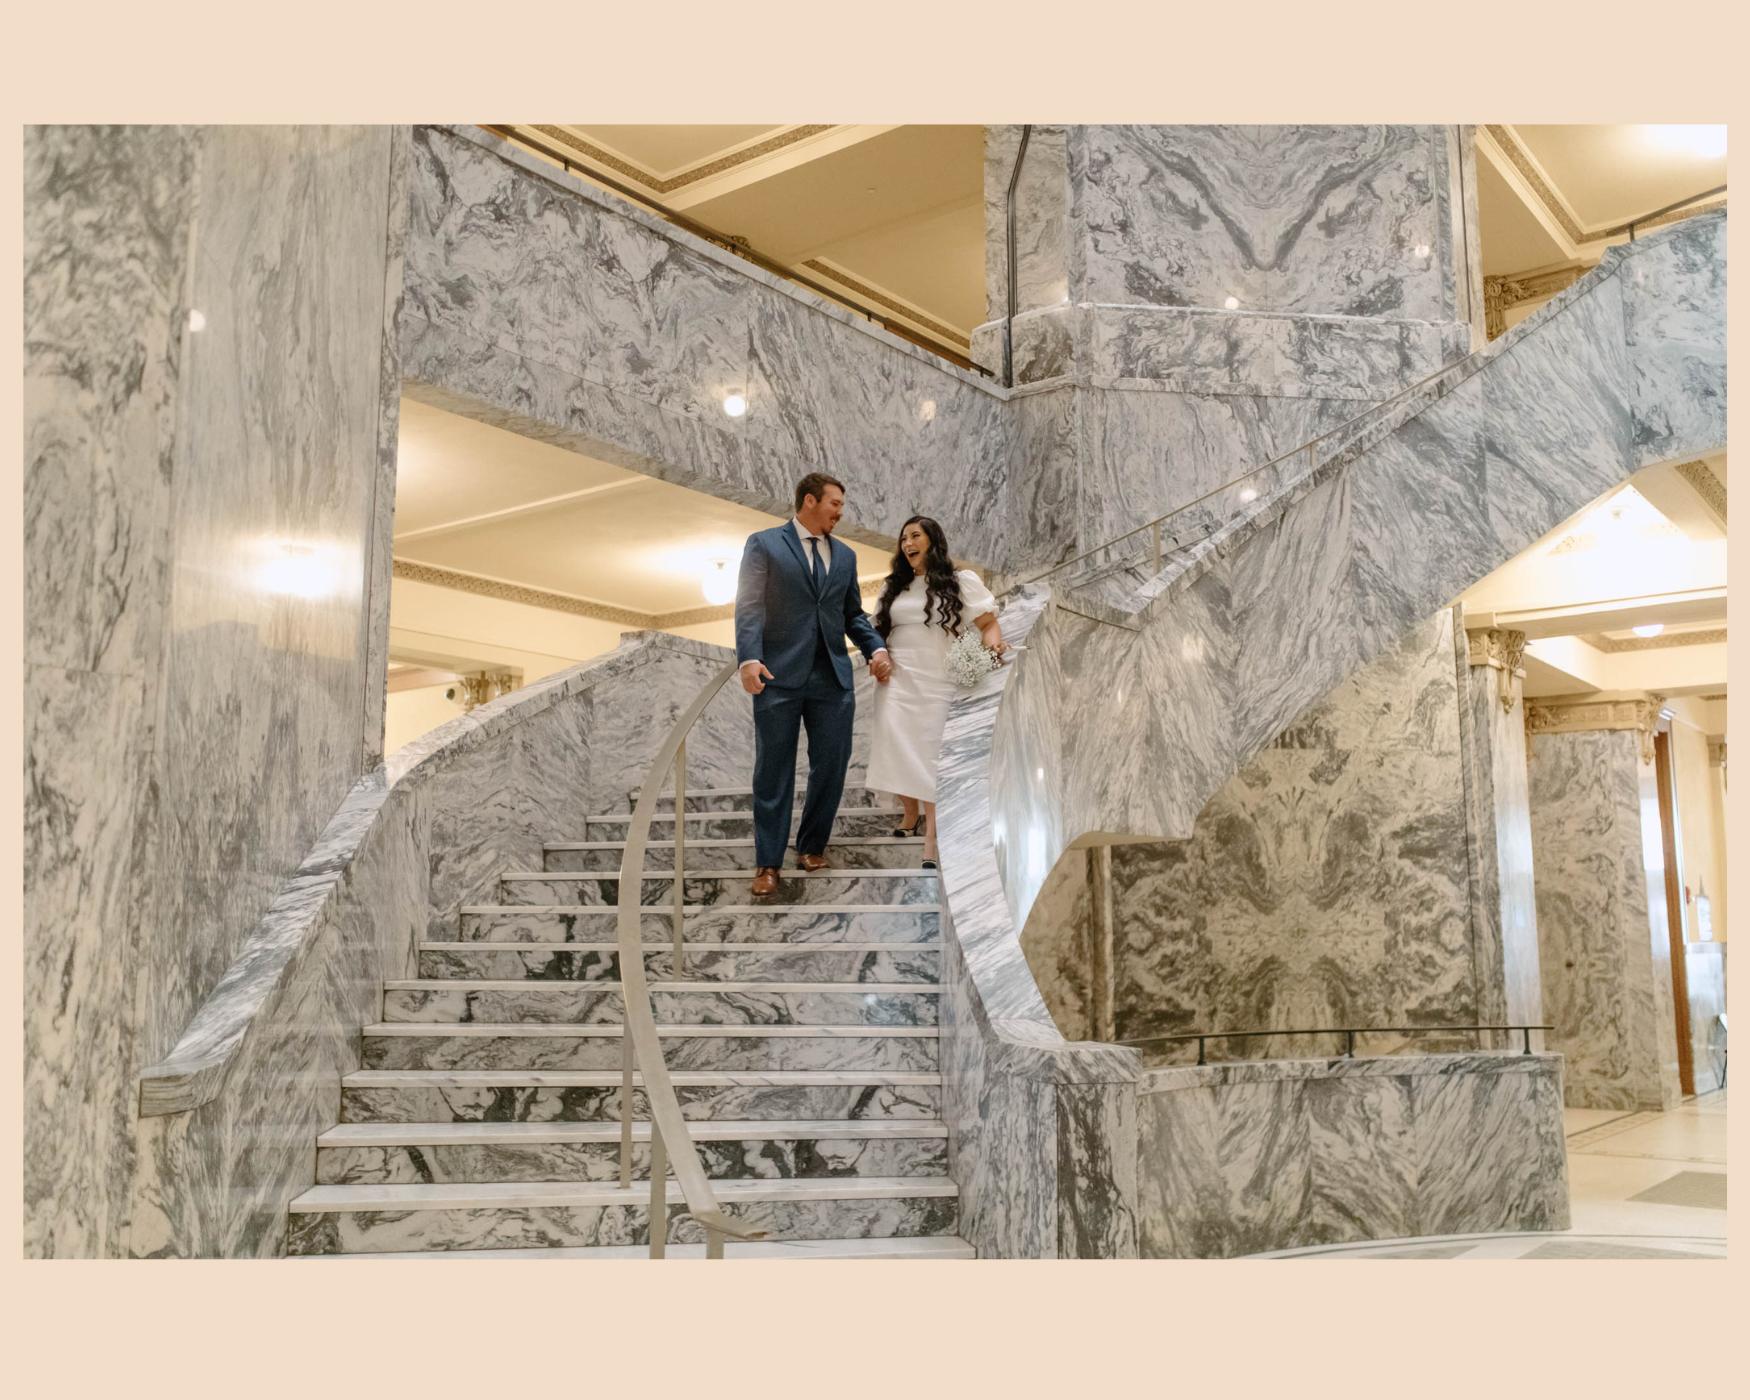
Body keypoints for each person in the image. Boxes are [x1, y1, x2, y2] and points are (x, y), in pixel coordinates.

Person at [734, 473, 893, 898]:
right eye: (835, 504)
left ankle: (812, 846)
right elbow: (749, 604)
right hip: (777, 676)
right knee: (773, 770)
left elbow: (852, 614)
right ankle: (767, 863)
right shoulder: (764, 544)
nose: (841, 512)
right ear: (809, 501)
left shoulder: (844, 556)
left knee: (832, 766)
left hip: (832, 678)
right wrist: (749, 658)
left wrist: (875, 649)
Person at [864, 516, 1004, 869]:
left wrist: (993, 650)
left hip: (938, 678)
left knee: (930, 755)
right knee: (898, 744)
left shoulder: (961, 582)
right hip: (897, 678)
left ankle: (931, 838)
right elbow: (877, 632)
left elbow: (988, 625)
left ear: (932, 541)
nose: (908, 543)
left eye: (915, 536)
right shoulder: (893, 587)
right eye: (903, 537)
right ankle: (909, 813)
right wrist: (876, 657)